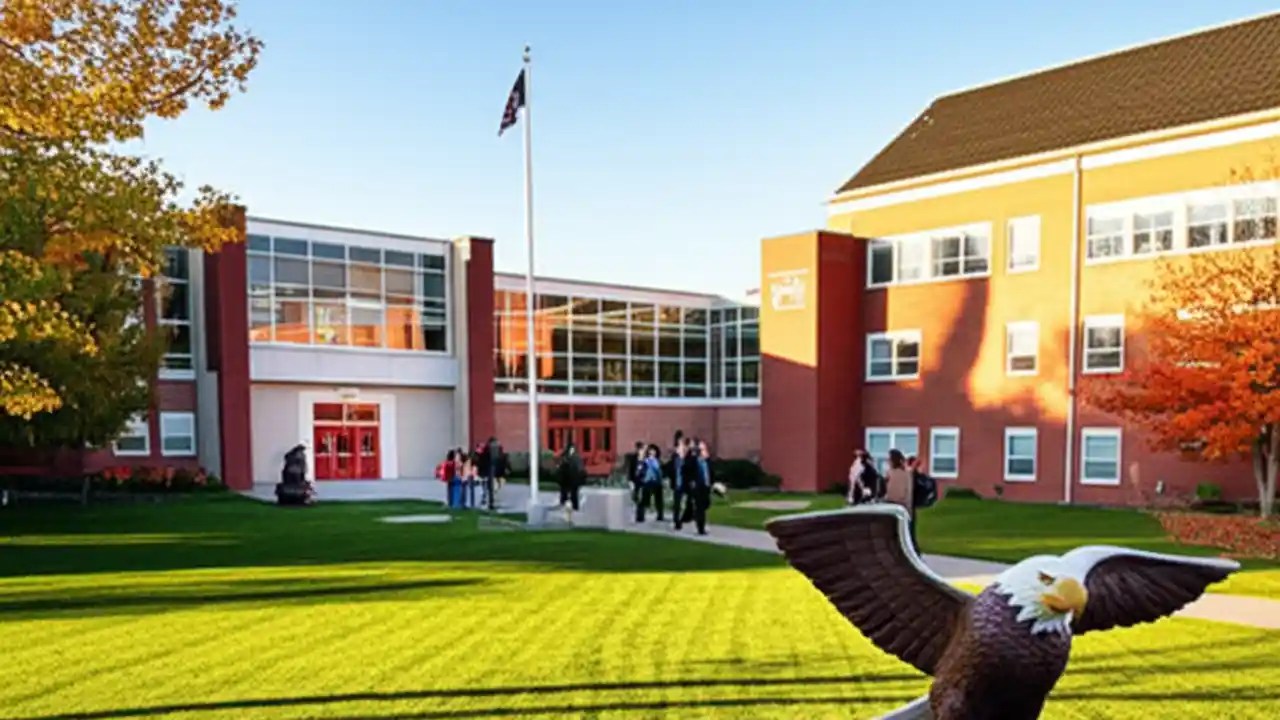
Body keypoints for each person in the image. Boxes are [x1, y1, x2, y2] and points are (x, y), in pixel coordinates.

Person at [883, 449, 918, 552]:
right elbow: (908, 493)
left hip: (895, 507)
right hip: (903, 507)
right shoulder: (906, 474)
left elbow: (892, 493)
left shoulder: (892, 474)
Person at [679, 439, 713, 535]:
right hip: (697, 487)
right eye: (702, 449)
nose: (704, 451)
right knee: (700, 507)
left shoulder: (707, 462)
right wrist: (691, 482)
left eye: (704, 449)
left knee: (706, 504)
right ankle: (700, 528)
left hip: (706, 486)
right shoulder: (693, 461)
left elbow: (710, 473)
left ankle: (691, 516)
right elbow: (685, 471)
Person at [634, 444, 664, 522]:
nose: (652, 452)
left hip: (657, 482)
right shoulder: (645, 461)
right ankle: (640, 516)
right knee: (644, 500)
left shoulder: (658, 461)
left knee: (659, 500)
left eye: (654, 451)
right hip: (647, 481)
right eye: (651, 451)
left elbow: (660, 472)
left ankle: (660, 515)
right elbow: (640, 470)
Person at [557, 441, 585, 513]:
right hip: (567, 479)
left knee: (572, 494)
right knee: (568, 493)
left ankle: (571, 507)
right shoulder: (568, 457)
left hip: (571, 479)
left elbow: (580, 469)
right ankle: (569, 506)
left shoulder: (574, 457)